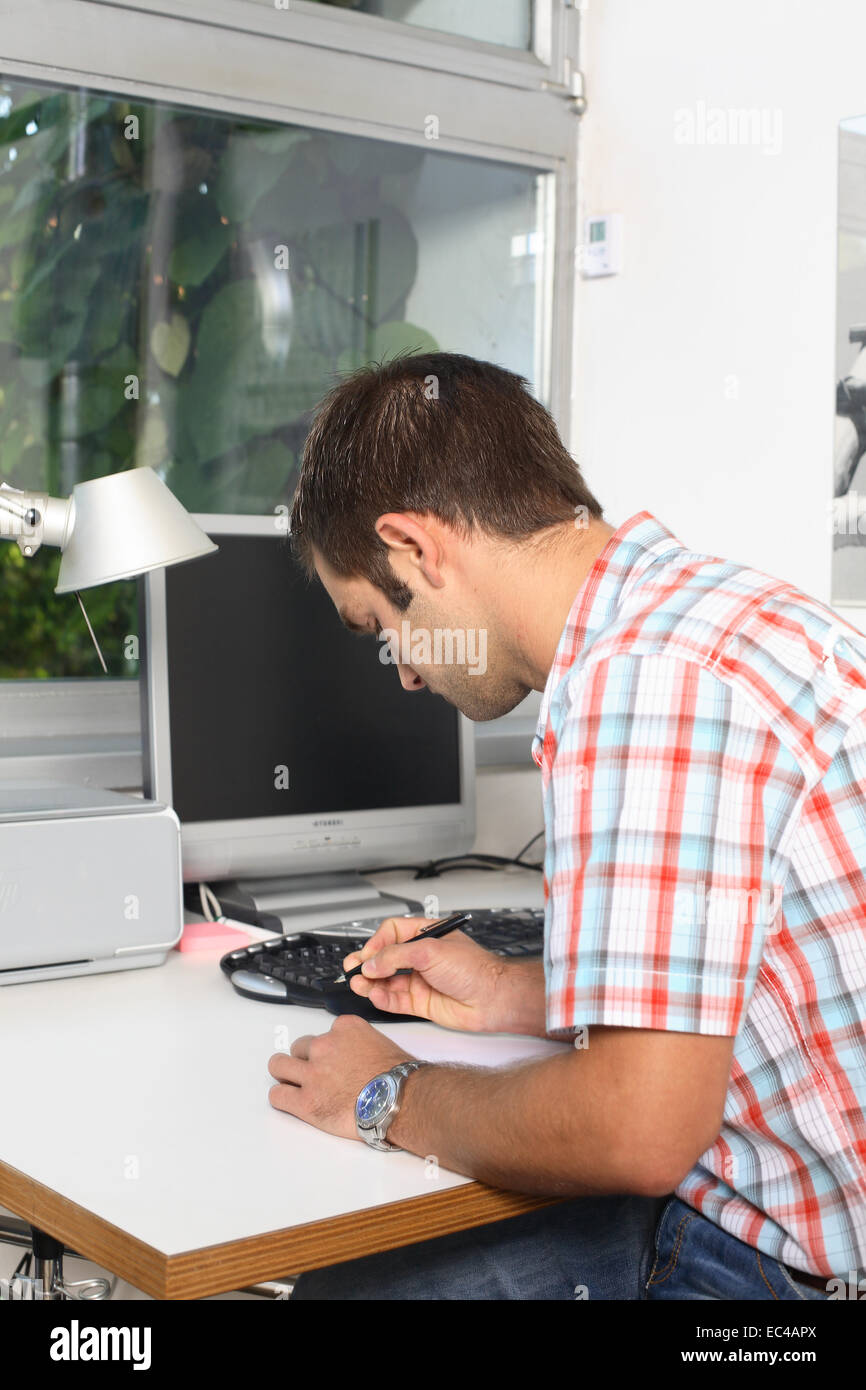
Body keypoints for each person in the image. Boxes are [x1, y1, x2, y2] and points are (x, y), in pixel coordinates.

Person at [268, 352, 866, 1300]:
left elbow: (636, 1131)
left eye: (379, 623)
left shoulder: (642, 685)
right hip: (776, 1211)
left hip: (787, 1290)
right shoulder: (713, 614)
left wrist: (388, 1095)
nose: (408, 672)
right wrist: (514, 996)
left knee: (349, 1289)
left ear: (416, 548)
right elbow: (740, 977)